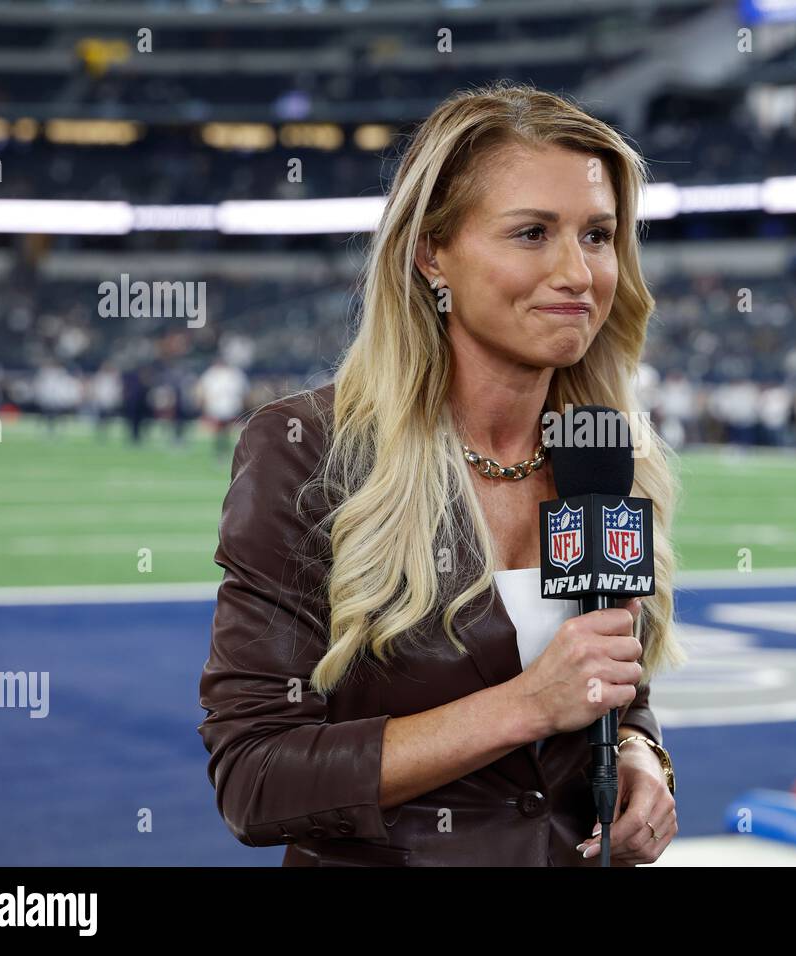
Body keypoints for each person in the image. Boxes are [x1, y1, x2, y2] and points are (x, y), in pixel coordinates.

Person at [197, 82, 685, 867]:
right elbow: (255, 780)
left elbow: (609, 675)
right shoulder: (311, 451)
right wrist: (523, 707)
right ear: (432, 253)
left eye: (598, 236)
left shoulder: (600, 449)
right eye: (531, 234)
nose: (579, 273)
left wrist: (636, 752)